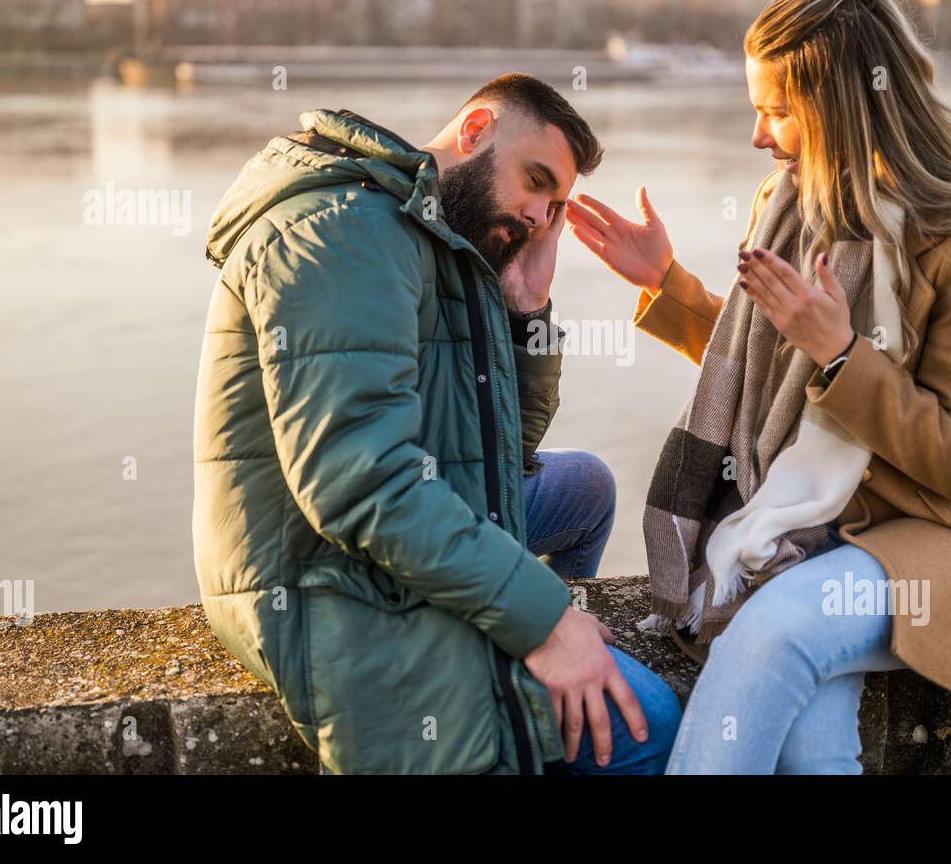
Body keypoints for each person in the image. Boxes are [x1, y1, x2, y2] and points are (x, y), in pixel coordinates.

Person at [565, 0, 951, 774]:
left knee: (775, 632)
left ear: (844, 105)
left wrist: (841, 356)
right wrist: (667, 284)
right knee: (811, 741)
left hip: (930, 541)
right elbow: (775, 385)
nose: (759, 134)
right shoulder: (796, 200)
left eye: (778, 111)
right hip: (805, 531)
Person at [192, 73, 681, 775]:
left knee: (586, 489)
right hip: (331, 569)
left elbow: (503, 454)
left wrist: (527, 311)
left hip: (408, 517)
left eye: (556, 204)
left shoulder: (436, 238)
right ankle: (543, 668)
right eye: (535, 180)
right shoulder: (345, 232)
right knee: (653, 723)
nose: (542, 219)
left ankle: (550, 635)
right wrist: (541, 623)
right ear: (476, 130)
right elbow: (361, 487)